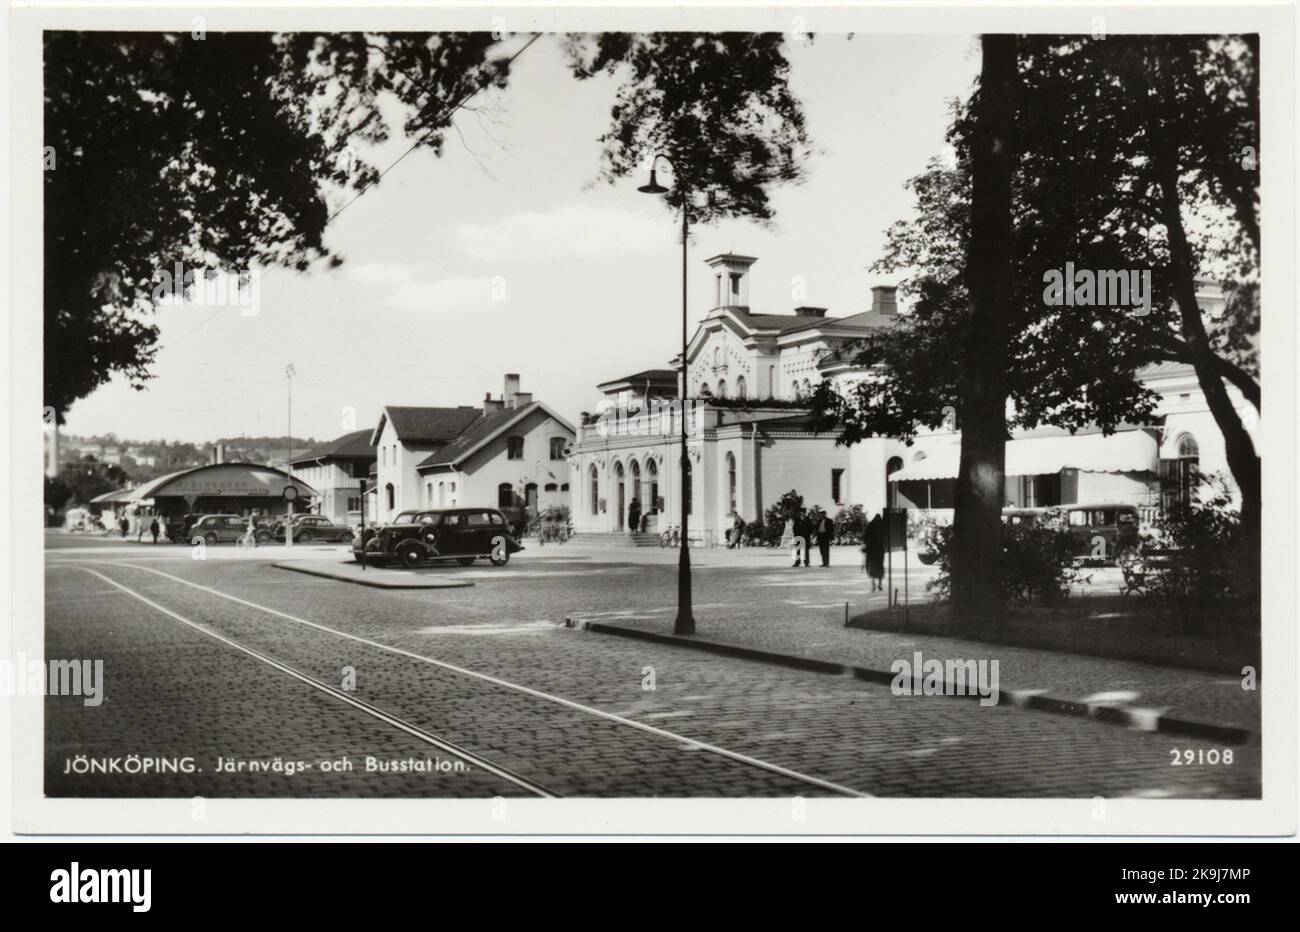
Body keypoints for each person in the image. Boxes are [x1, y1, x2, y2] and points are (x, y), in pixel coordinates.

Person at [864, 512, 886, 591]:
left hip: (872, 551)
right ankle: (880, 584)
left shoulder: (871, 525)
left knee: (872, 568)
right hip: (880, 551)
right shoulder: (883, 526)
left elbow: (865, 537)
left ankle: (873, 585)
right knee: (880, 568)